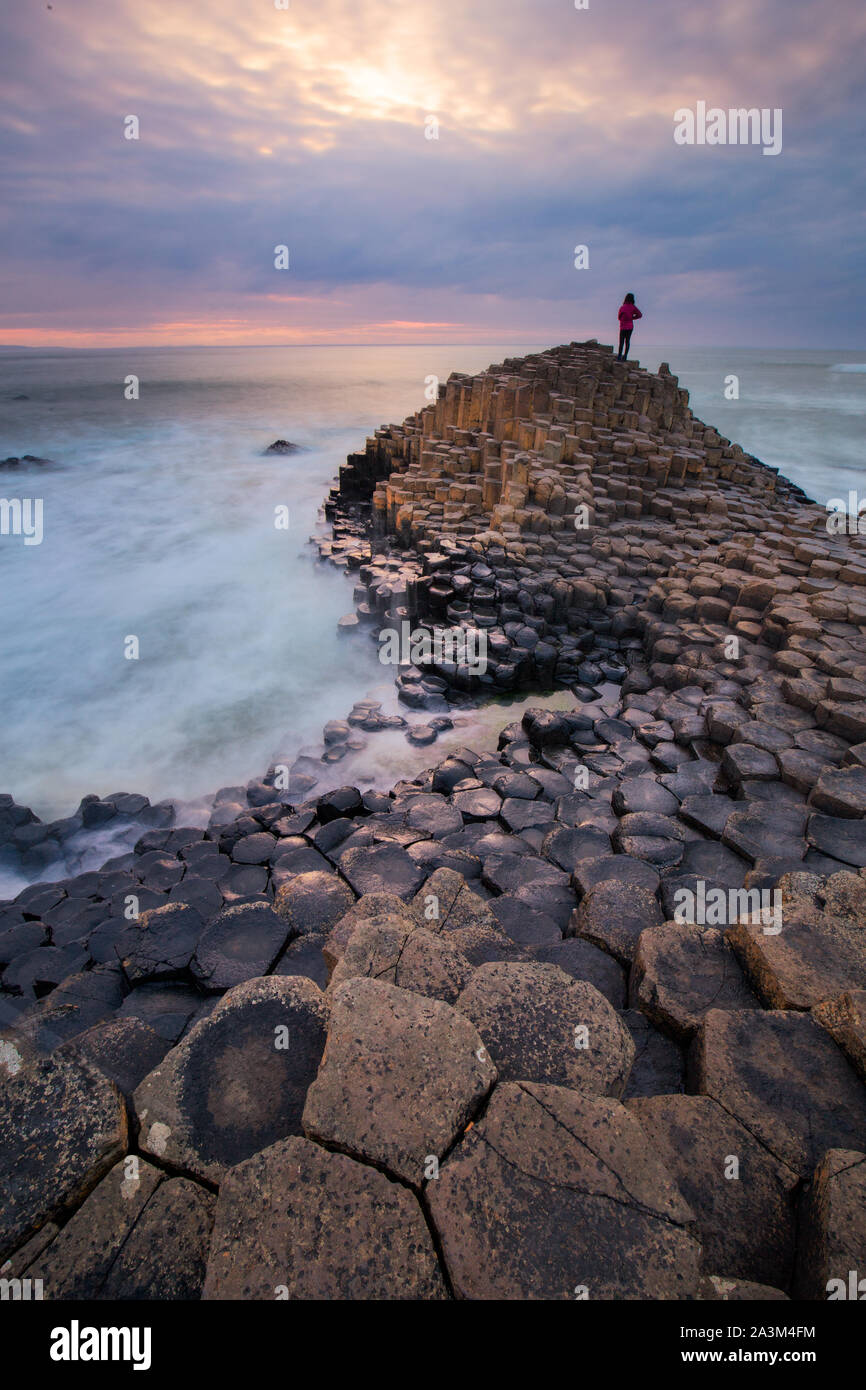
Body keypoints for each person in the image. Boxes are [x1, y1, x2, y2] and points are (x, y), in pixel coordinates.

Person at [617, 293, 642, 360]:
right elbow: (640, 315)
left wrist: (624, 319)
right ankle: (625, 356)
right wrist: (632, 317)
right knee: (627, 341)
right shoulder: (633, 307)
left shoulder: (622, 307)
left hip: (623, 327)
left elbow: (619, 317)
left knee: (621, 342)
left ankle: (619, 356)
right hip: (630, 327)